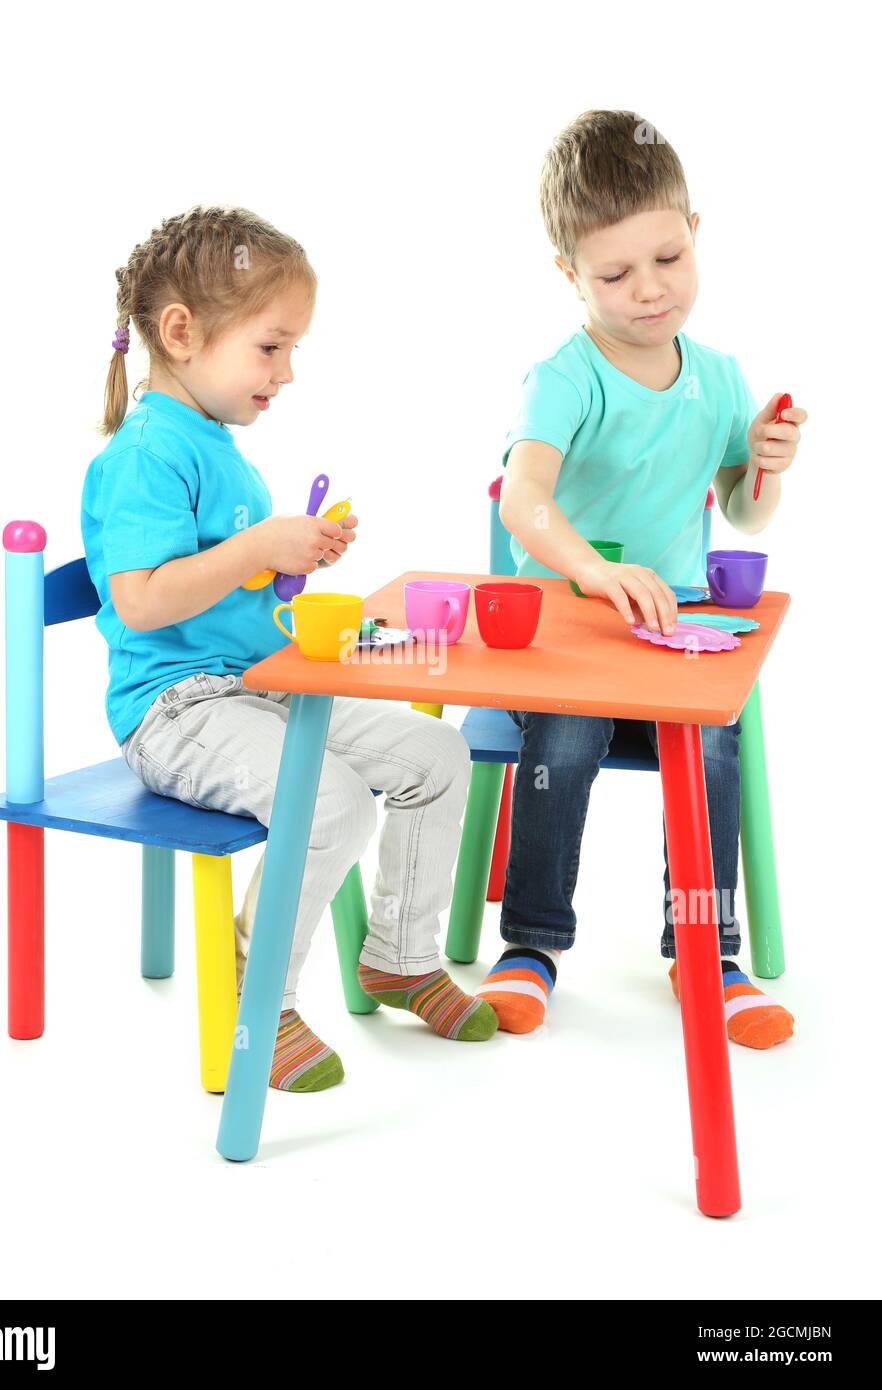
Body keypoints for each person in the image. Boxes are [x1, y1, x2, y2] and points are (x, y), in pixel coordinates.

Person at [81, 206, 497, 1093]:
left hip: (256, 688)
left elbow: (225, 591)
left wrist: (287, 567)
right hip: (176, 711)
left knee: (436, 751)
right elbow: (142, 601)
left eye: (292, 349)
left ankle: (398, 956)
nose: (288, 371)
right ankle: (255, 1003)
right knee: (332, 801)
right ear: (181, 333)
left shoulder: (218, 448)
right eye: (272, 347)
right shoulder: (146, 454)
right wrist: (256, 548)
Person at [476, 113, 806, 1048]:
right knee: (567, 742)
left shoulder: (719, 376)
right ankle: (532, 944)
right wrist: (588, 575)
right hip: (566, 644)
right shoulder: (563, 378)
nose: (649, 291)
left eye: (667, 257)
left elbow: (745, 512)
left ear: (695, 232)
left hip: (672, 637)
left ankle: (705, 947)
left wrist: (766, 461)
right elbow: (523, 502)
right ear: (569, 275)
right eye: (615, 275)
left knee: (709, 749)